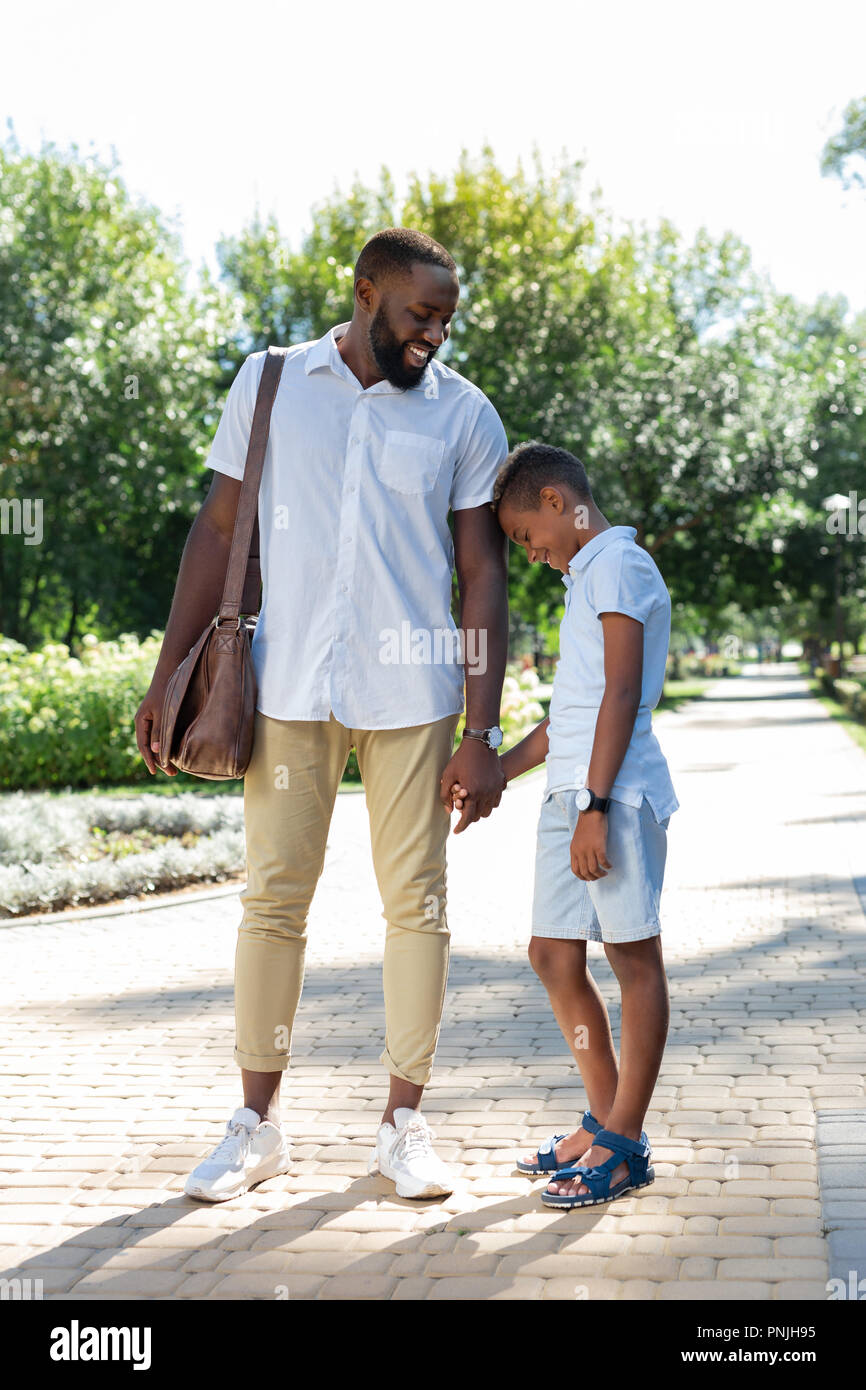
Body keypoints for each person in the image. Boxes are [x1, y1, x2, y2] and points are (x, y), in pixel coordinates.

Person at [134, 228, 509, 1201]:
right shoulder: (268, 384)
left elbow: (480, 573)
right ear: (365, 293)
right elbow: (219, 527)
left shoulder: (464, 416)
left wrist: (481, 729)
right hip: (290, 683)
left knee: (415, 905)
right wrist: (167, 667)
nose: (433, 333)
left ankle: (403, 1126)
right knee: (271, 900)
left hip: (414, 695)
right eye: (419, 314)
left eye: (444, 319)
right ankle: (255, 1125)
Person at [452, 441, 678, 1208]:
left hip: (610, 798)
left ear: (556, 501)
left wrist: (595, 807)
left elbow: (620, 697)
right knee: (553, 955)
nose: (530, 553)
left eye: (524, 537)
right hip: (570, 797)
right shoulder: (587, 577)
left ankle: (624, 1143)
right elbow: (567, 719)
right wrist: (492, 774)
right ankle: (606, 1115)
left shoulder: (618, 565)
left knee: (633, 961)